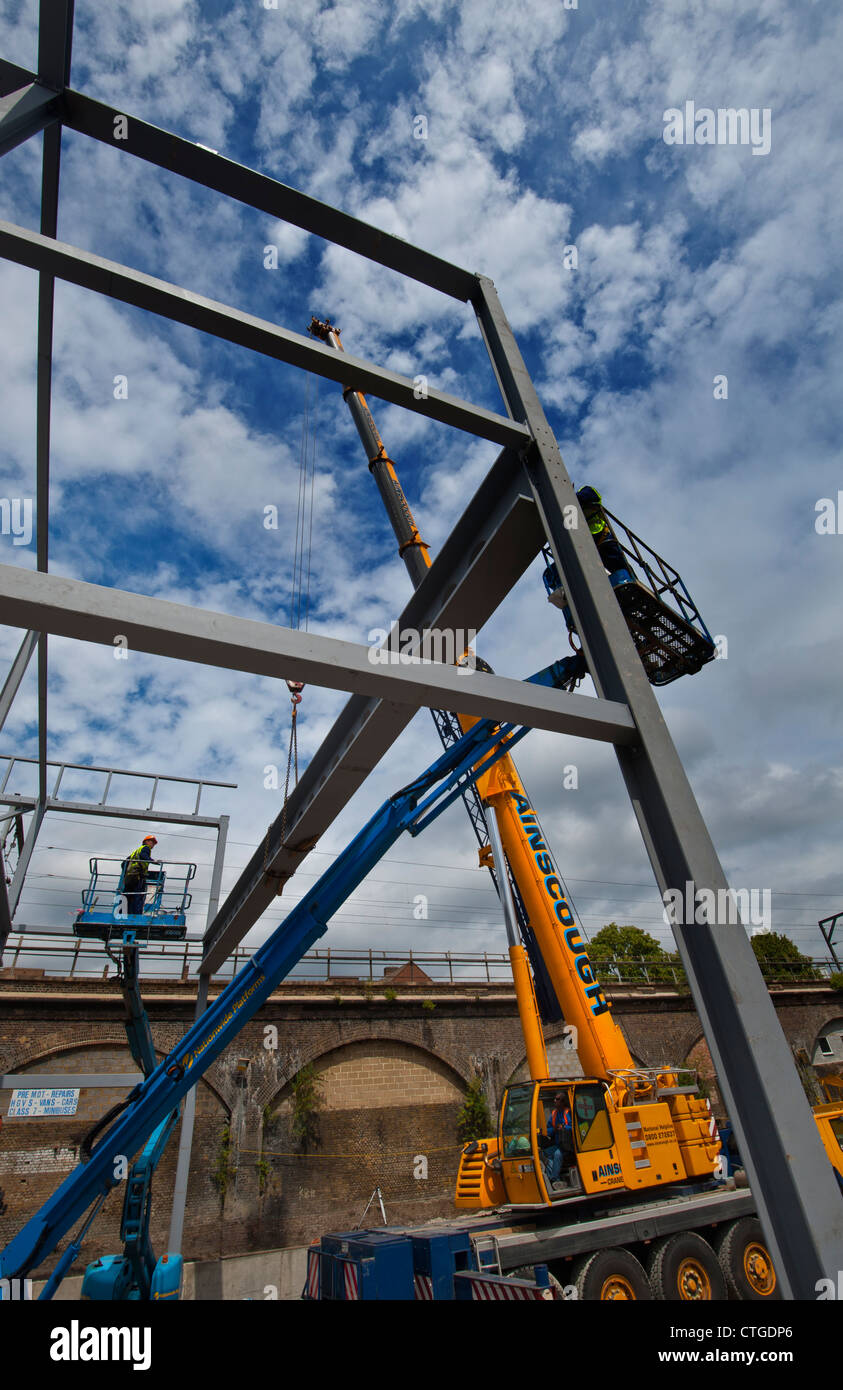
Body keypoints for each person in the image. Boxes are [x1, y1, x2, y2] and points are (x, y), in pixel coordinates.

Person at [576, 486, 627, 577]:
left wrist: (570, 497)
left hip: (603, 536)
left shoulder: (586, 490)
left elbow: (586, 496)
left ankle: (630, 580)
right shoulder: (570, 508)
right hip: (591, 542)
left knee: (620, 566)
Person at [542, 1091, 573, 1187]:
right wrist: (554, 1129)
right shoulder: (554, 1114)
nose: (554, 1101)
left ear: (563, 1102)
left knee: (557, 1154)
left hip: (569, 1145)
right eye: (555, 1099)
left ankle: (554, 1179)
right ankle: (554, 1178)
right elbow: (548, 1130)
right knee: (544, 1154)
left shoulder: (569, 1112)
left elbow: (576, 1127)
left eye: (557, 1099)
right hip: (558, 1144)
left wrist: (564, 1128)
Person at [122, 834, 157, 917]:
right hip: (138, 876)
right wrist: (152, 861)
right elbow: (143, 856)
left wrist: (125, 873)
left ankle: (123, 912)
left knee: (127, 895)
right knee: (138, 895)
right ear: (146, 842)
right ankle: (136, 915)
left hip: (130, 876)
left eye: (154, 843)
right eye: (152, 842)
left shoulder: (136, 851)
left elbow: (124, 863)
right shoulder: (145, 848)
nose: (153, 845)